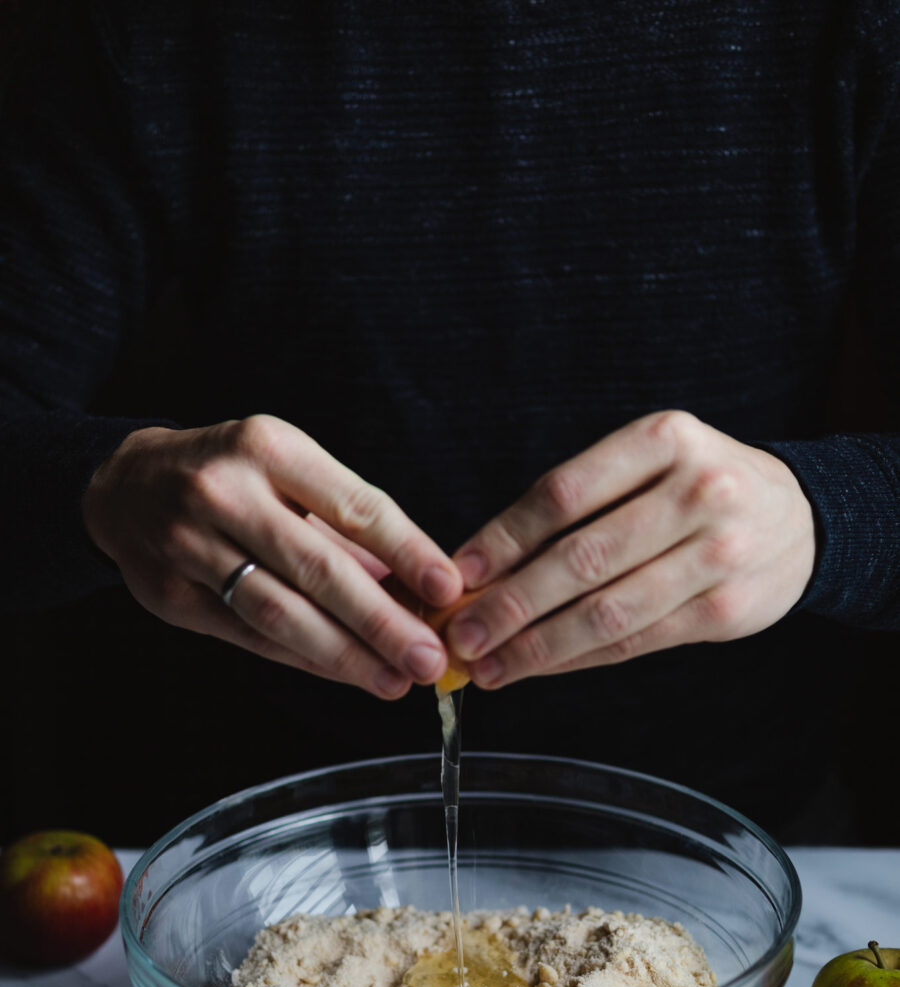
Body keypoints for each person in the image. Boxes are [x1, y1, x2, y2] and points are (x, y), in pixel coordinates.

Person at [2, 0, 899, 844]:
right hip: (244, 839)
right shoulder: (149, 29)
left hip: (746, 831)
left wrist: (822, 518)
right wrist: (107, 489)